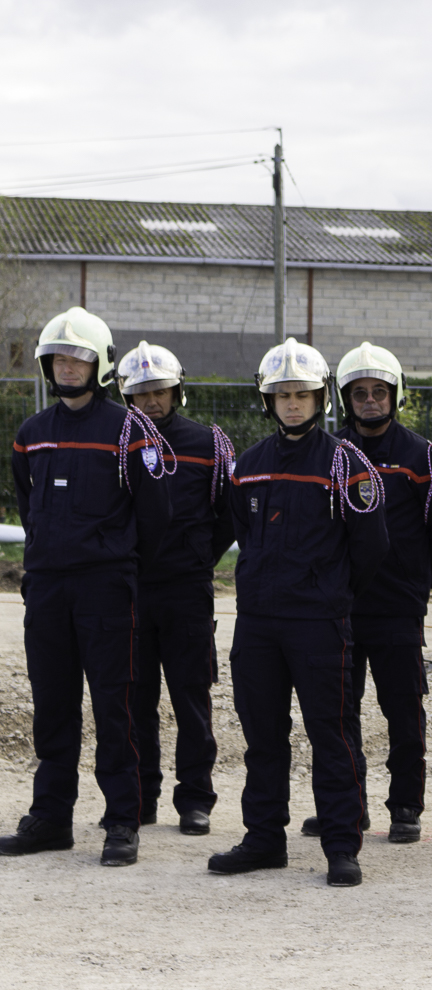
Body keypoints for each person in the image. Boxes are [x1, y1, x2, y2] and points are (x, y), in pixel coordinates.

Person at [208, 338, 389, 887]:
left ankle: (341, 846)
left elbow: (372, 547)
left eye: (302, 395)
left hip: (319, 624)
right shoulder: (250, 465)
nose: (292, 404)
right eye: (282, 395)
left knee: (330, 735)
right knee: (263, 736)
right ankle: (264, 838)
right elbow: (236, 528)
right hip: (259, 623)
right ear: (268, 401)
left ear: (320, 399)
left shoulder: (345, 463)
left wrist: (329, 592)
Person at [0, 307, 173, 867]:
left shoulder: (130, 431)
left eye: (78, 357)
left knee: (114, 705)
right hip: (48, 588)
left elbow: (156, 515)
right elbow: (29, 506)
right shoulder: (32, 435)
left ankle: (123, 820)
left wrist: (117, 567)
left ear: (100, 364)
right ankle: (51, 818)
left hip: (106, 588)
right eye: (59, 357)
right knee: (52, 706)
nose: (67, 366)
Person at [295, 342, 432, 845]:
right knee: (338, 713)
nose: (370, 401)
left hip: (396, 609)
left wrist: (419, 583)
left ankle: (406, 806)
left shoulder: (422, 455)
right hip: (340, 607)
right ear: (344, 399)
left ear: (395, 395)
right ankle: (348, 806)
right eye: (359, 393)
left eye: (379, 392)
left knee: (403, 711)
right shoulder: (330, 453)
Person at [117, 341, 235, 837]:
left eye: (160, 390)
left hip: (187, 591)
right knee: (135, 699)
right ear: (126, 397)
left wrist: (197, 558)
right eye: (141, 393)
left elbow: (228, 513)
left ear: (177, 390)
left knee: (191, 699)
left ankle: (195, 800)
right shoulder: (118, 442)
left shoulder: (210, 443)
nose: (151, 401)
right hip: (131, 590)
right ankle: (141, 798)